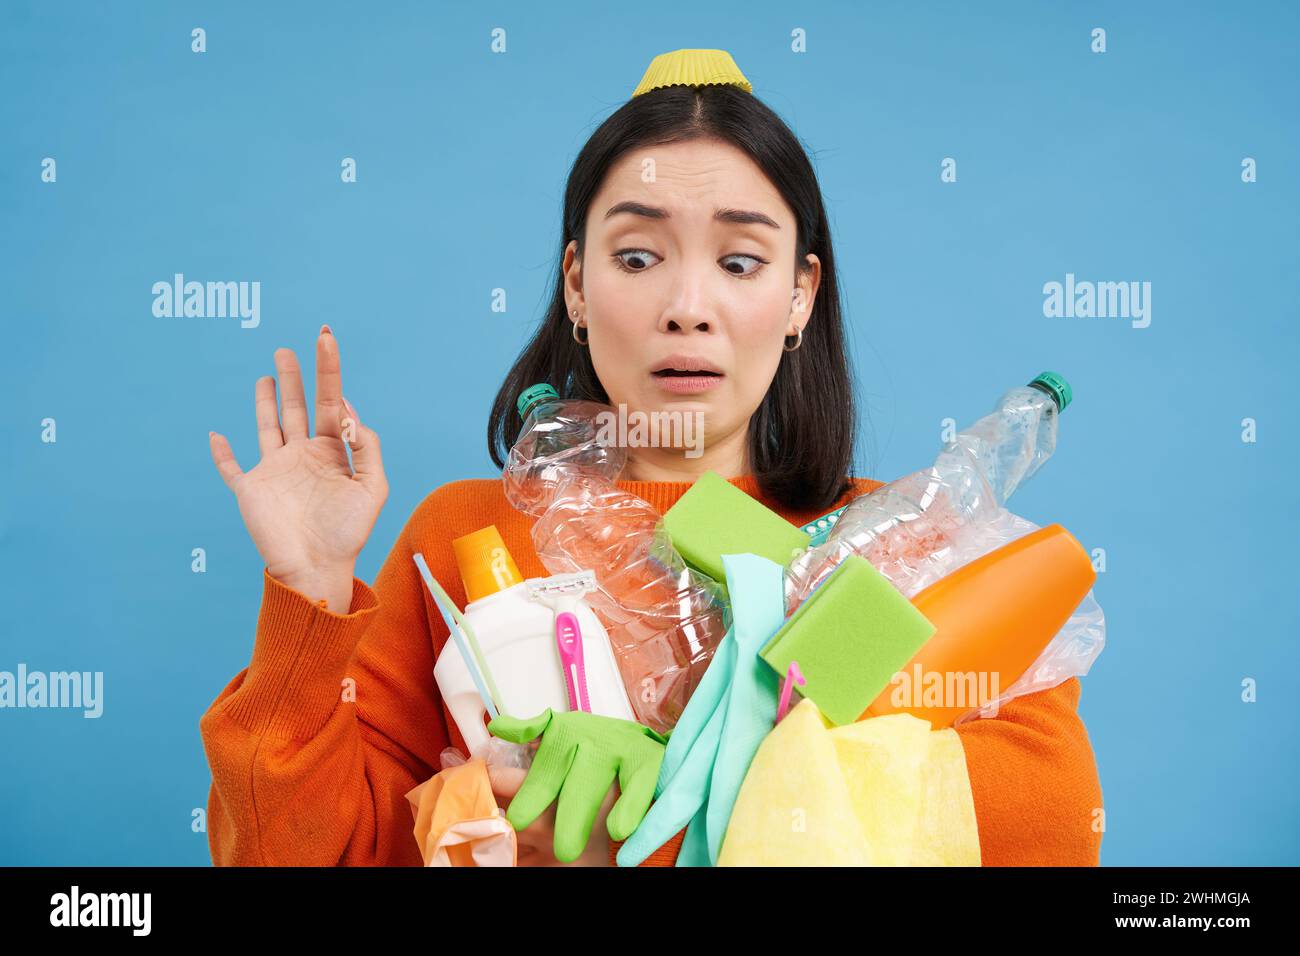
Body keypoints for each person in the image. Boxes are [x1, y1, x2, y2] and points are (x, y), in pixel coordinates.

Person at [199, 49, 1102, 867]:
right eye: (637, 256)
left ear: (801, 297)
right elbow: (300, 859)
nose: (687, 305)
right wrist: (311, 595)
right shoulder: (467, 533)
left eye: (742, 263)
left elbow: (1050, 826)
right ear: (577, 286)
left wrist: (656, 810)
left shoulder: (907, 552)